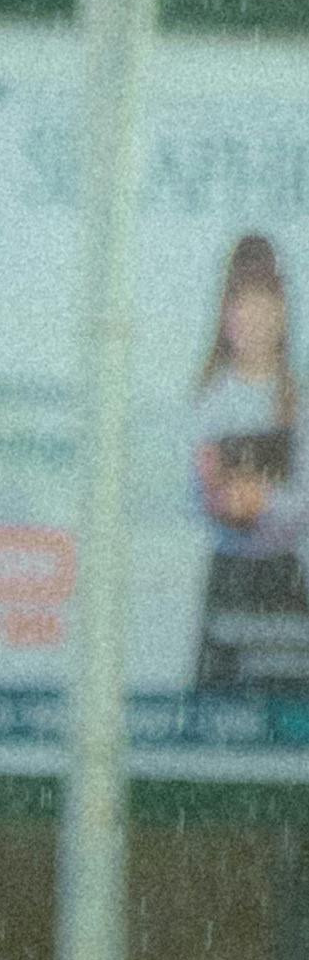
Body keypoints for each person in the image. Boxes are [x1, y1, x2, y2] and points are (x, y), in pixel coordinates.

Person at [189, 236, 309, 693]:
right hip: (228, 578)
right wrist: (218, 500)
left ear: (282, 313)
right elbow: (192, 497)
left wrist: (263, 503)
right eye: (239, 302)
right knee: (216, 708)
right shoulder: (208, 400)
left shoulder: (297, 400)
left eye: (264, 303)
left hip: (284, 579)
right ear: (225, 314)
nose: (251, 317)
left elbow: (302, 501)